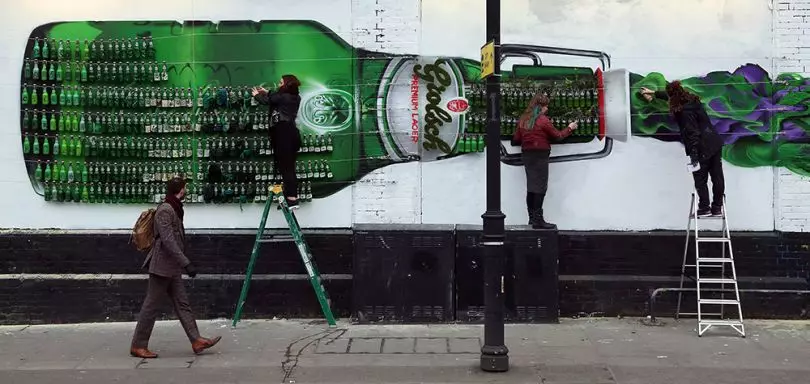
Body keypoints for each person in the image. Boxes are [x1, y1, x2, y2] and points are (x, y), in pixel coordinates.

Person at [130, 177, 221, 358]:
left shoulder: (175, 208)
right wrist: (185, 262)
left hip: (172, 267)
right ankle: (138, 345)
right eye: (185, 187)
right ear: (180, 189)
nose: (186, 189)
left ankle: (196, 340)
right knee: (151, 305)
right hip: (162, 266)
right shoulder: (165, 209)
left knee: (182, 304)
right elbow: (168, 240)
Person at [639, 82, 725, 217]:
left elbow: (692, 132)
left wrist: (694, 154)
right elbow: (670, 95)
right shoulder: (692, 101)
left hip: (701, 145)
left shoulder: (684, 112)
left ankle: (704, 208)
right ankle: (717, 208)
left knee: (700, 178)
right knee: (717, 176)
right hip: (714, 141)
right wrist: (654, 93)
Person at [512, 93, 577, 229]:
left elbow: (516, 139)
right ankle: (538, 220)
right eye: (546, 106)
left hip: (527, 154)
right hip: (540, 155)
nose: (547, 108)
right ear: (540, 107)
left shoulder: (524, 119)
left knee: (531, 187)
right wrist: (570, 128)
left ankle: (532, 218)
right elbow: (558, 136)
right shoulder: (543, 120)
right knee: (540, 187)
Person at [252, 74, 303, 208]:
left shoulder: (283, 97)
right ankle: (291, 196)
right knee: (289, 167)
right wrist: (266, 92)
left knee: (286, 168)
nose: (279, 84)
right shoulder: (295, 97)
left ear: (286, 85)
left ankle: (292, 198)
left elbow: (268, 101)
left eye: (281, 82)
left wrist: (257, 95)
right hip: (291, 134)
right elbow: (275, 97)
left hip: (283, 134)